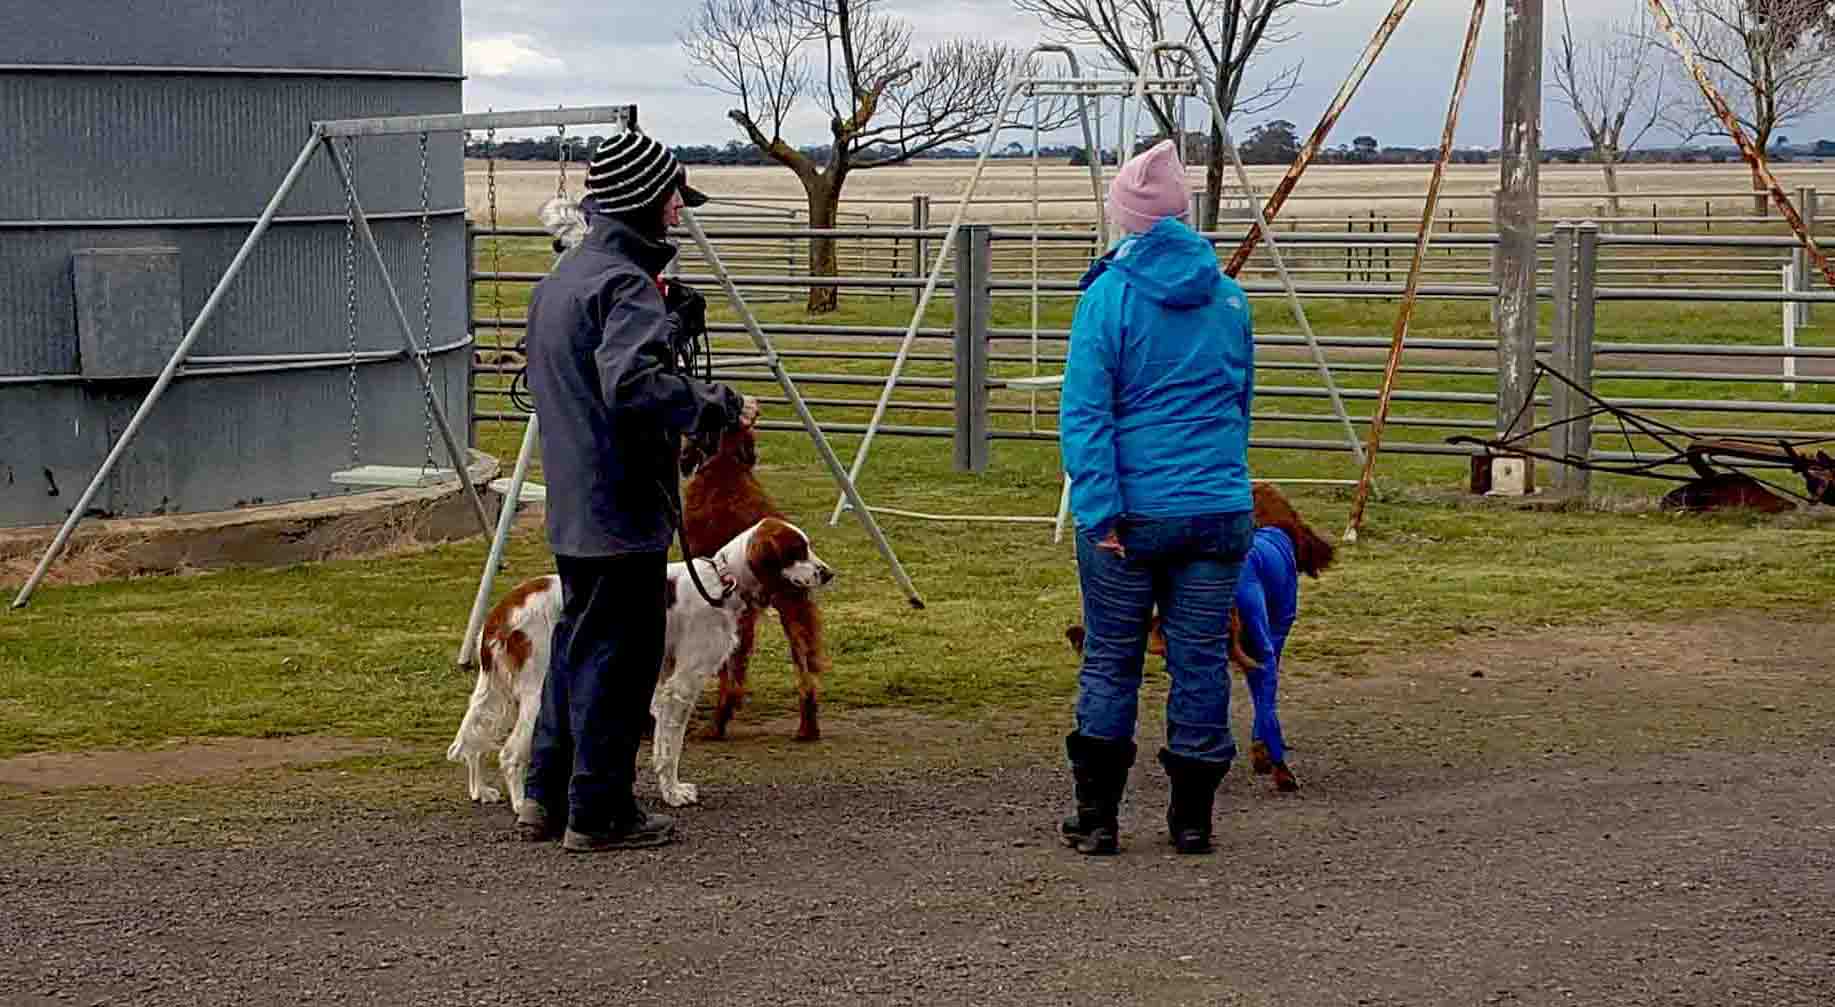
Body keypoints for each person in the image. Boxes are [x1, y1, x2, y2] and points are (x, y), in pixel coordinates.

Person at [519, 132, 758, 853]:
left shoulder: (562, 279)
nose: (681, 210)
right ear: (651, 201)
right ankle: (600, 810)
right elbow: (630, 386)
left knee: (575, 646)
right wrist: (711, 403)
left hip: (572, 496)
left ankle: (545, 793)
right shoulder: (623, 285)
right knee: (621, 657)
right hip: (619, 501)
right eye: (675, 196)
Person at [1057, 139, 1256, 857]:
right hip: (1215, 506)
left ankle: (1098, 815)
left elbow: (1085, 411)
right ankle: (1192, 817)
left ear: (1124, 219)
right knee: (1199, 657)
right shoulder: (1229, 297)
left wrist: (1100, 509)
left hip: (1133, 510)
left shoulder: (1106, 296)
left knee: (1111, 656)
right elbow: (1239, 402)